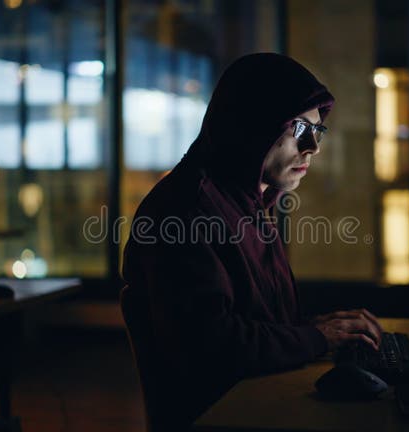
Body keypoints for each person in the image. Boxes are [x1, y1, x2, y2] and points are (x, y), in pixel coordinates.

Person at [121, 53, 383, 429]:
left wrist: (316, 329)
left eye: (317, 129)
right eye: (298, 128)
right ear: (252, 125)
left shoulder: (244, 203)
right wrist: (314, 338)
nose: (313, 146)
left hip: (256, 405)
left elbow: (255, 323)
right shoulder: (184, 212)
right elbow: (213, 346)